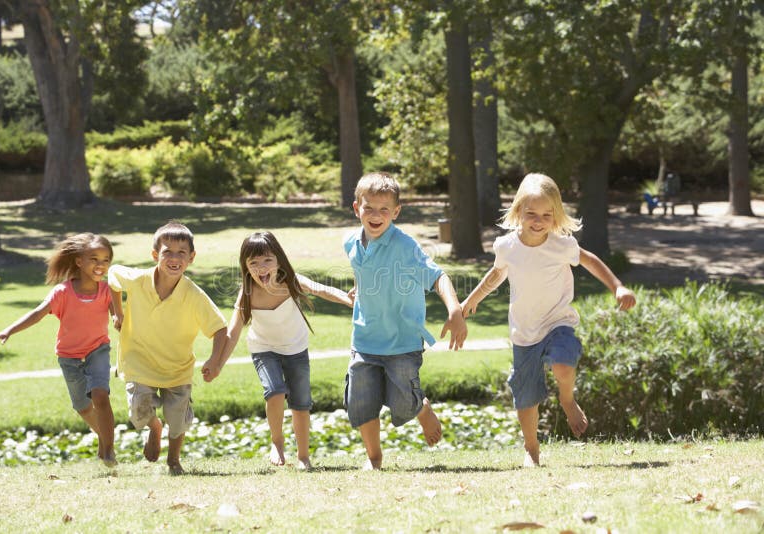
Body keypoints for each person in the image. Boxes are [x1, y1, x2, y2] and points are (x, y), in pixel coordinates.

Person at [461, 173, 636, 467]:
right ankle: (531, 449)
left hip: (558, 323)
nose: (538, 220)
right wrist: (471, 300)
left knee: (563, 366)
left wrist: (617, 286)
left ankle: (567, 400)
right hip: (524, 332)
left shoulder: (561, 245)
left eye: (546, 214)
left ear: (556, 215)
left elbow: (590, 260)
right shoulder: (506, 247)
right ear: (518, 211)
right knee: (526, 396)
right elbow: (496, 274)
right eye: (531, 214)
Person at [344, 172, 468, 470]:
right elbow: (369, 269)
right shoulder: (350, 242)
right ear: (356, 208)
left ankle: (421, 409)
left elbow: (438, 276)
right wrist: (362, 287)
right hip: (364, 338)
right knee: (360, 401)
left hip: (402, 342)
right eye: (369, 208)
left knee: (403, 402)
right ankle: (374, 459)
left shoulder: (405, 246)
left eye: (384, 209)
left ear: (396, 212)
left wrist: (454, 310)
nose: (376, 215)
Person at [202, 231, 354, 470]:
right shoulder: (248, 292)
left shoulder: (290, 281)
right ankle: (277, 442)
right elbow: (233, 332)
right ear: (245, 267)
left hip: (296, 349)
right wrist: (218, 364)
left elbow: (321, 289)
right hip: (264, 349)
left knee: (301, 403)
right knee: (274, 391)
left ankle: (303, 456)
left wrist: (348, 300)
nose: (261, 268)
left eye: (267, 261)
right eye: (253, 263)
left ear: (278, 261)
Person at [108, 221, 227, 475]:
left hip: (177, 368)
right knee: (138, 413)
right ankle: (154, 428)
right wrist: (117, 312)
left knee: (178, 420)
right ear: (155, 255)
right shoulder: (138, 280)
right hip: (138, 361)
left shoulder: (194, 295)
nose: (174, 258)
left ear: (191, 258)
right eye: (167, 252)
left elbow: (220, 328)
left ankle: (174, 460)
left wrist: (214, 361)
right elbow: (113, 276)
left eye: (181, 253)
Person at [0, 233, 119, 467]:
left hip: (98, 350)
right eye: (94, 259)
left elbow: (119, 317)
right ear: (79, 261)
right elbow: (38, 313)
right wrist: (8, 330)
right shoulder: (63, 292)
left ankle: (108, 450)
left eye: (105, 260)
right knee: (83, 407)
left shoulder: (107, 291)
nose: (100, 265)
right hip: (69, 357)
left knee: (100, 395)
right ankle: (103, 437)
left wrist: (121, 321)